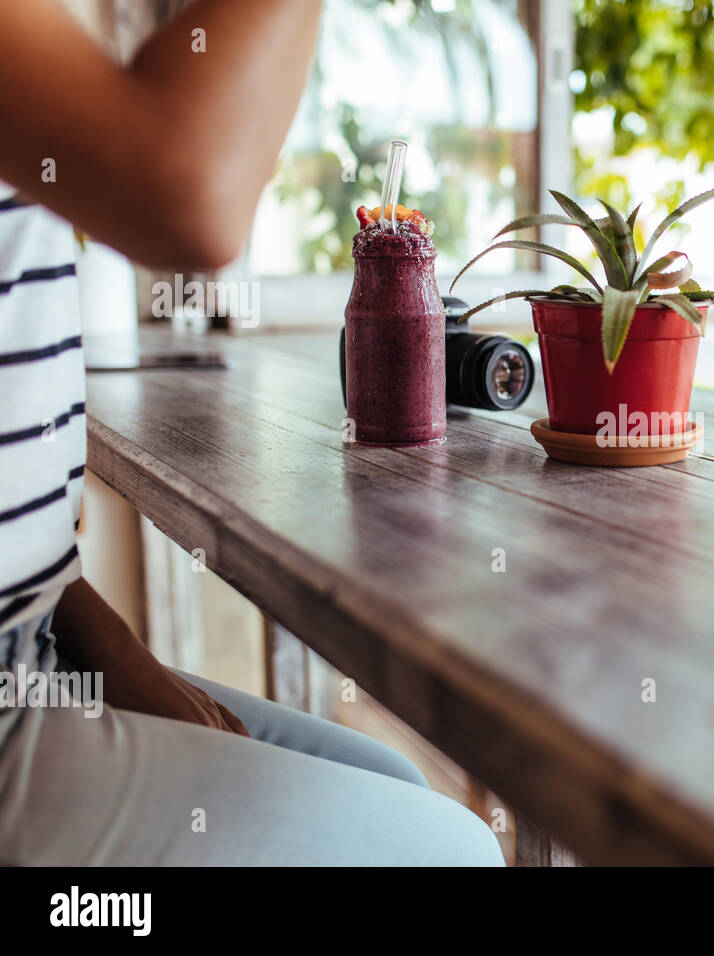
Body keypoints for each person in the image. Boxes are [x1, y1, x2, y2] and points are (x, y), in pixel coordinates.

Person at [0, 0, 504, 866]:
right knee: (451, 854)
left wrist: (114, 652)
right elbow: (190, 182)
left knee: (402, 790)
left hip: (39, 650)